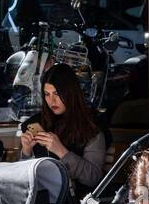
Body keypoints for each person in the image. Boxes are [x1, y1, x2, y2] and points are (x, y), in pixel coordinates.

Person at [20, 63, 107, 196]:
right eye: (47, 94)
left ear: (70, 93)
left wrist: (61, 151)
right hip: (40, 199)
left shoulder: (90, 126)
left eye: (57, 93)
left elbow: (93, 178)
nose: (51, 101)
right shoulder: (37, 122)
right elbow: (23, 180)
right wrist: (26, 151)